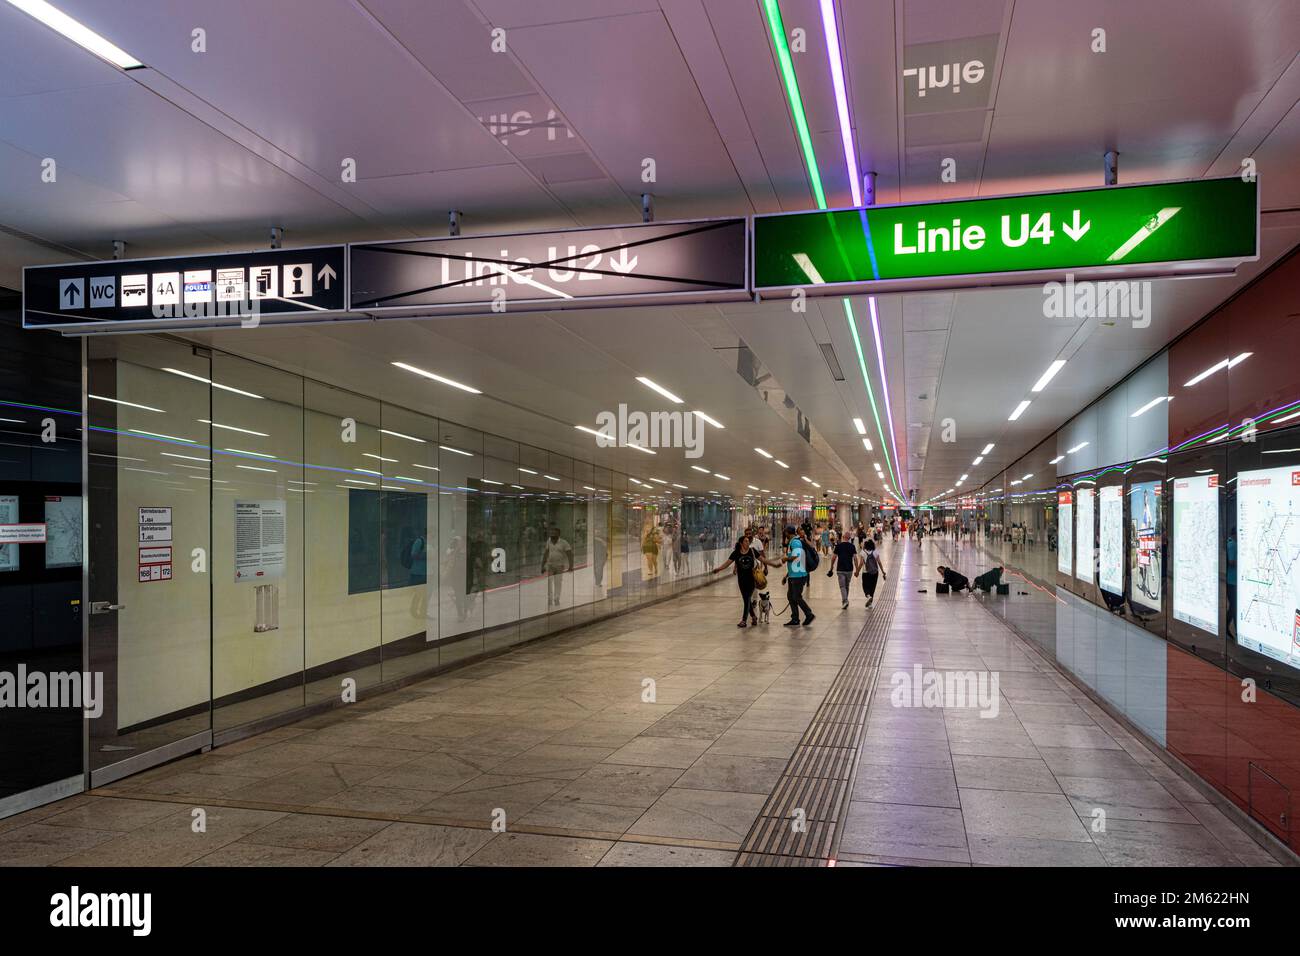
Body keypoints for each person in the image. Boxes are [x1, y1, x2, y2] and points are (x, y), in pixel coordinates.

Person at [713, 534, 782, 627]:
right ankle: (754, 617)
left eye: (748, 541)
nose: (748, 542)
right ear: (741, 543)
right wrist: (719, 569)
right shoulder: (736, 553)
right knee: (747, 600)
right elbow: (727, 563)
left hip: (751, 579)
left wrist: (774, 564)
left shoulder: (752, 551)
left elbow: (763, 559)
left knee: (747, 599)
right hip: (741, 580)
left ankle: (744, 620)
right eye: (745, 541)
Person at [782, 525, 815, 627]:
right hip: (794, 574)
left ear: (788, 532)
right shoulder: (793, 542)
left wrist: (786, 558)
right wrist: (787, 575)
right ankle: (795, 618)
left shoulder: (795, 542)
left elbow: (797, 556)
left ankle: (808, 614)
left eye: (785, 532)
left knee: (796, 596)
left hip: (798, 575)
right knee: (791, 596)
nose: (784, 534)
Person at [541, 525, 573, 606]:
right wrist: (543, 565)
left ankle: (557, 598)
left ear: (558, 534)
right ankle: (550, 598)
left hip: (559, 566)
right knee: (549, 582)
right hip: (550, 565)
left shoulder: (564, 542)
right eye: (551, 533)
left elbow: (570, 555)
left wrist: (571, 566)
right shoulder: (549, 541)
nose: (552, 535)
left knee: (558, 583)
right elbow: (546, 553)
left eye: (554, 533)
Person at [828, 527, 859, 609]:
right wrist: (857, 570)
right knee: (847, 585)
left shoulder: (839, 546)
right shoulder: (852, 546)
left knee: (842, 586)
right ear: (849, 538)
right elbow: (855, 558)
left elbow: (833, 558)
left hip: (840, 569)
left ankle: (845, 601)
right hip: (849, 569)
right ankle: (845, 600)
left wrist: (831, 568)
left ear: (843, 537)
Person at [858, 538, 885, 607]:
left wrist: (857, 571)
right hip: (875, 572)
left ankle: (868, 596)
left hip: (866, 572)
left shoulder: (863, 552)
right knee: (872, 587)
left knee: (865, 586)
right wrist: (883, 571)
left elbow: (861, 563)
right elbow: (879, 562)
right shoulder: (875, 552)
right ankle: (870, 603)